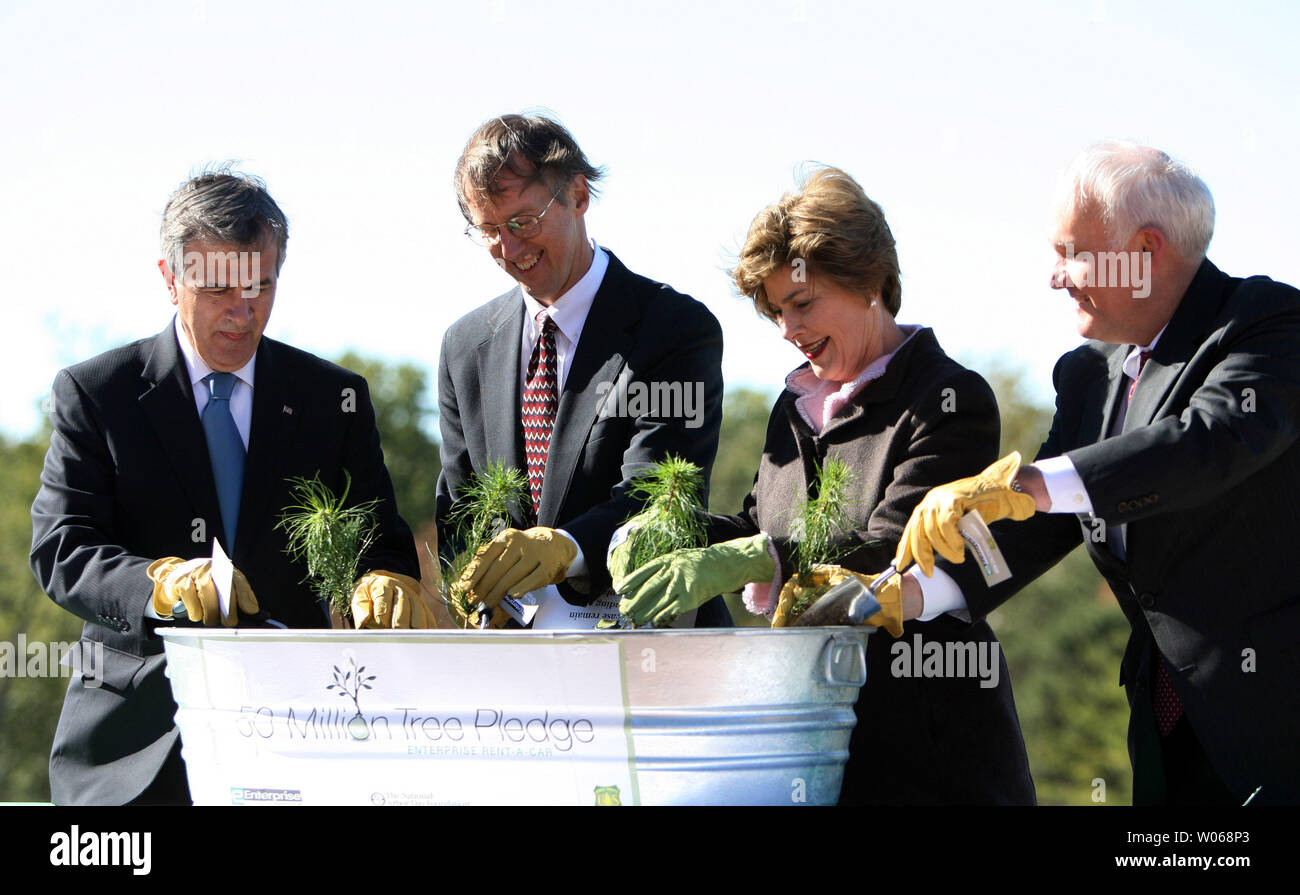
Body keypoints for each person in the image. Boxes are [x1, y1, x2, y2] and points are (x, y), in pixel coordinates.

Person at [892, 140, 1300, 805]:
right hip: (1167, 733)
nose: (1056, 277)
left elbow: (1205, 442)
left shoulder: (1268, 327)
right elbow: (1034, 527)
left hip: (1278, 734)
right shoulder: (1089, 375)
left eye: (1070, 254)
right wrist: (907, 593)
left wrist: (1025, 483)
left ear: (1145, 253)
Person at [613, 167, 1036, 805]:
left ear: (869, 281)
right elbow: (758, 522)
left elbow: (893, 550)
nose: (787, 328)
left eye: (803, 304)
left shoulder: (949, 399)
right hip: (812, 738)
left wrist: (753, 558)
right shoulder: (794, 407)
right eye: (777, 310)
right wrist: (672, 531)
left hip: (929, 751)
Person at [29, 168, 425, 805]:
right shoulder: (97, 394)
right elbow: (62, 550)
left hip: (299, 743)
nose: (243, 314)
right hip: (132, 752)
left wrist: (382, 578)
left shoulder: (334, 399)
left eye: (261, 286)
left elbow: (379, 541)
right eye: (217, 290)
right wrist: (156, 583)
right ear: (169, 277)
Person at [438, 113, 725, 628]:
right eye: (489, 231)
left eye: (524, 222)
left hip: (647, 656)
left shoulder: (675, 329)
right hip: (514, 679)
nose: (510, 248)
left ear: (577, 194)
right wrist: (475, 592)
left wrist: (564, 548)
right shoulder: (465, 348)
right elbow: (460, 510)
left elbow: (660, 494)